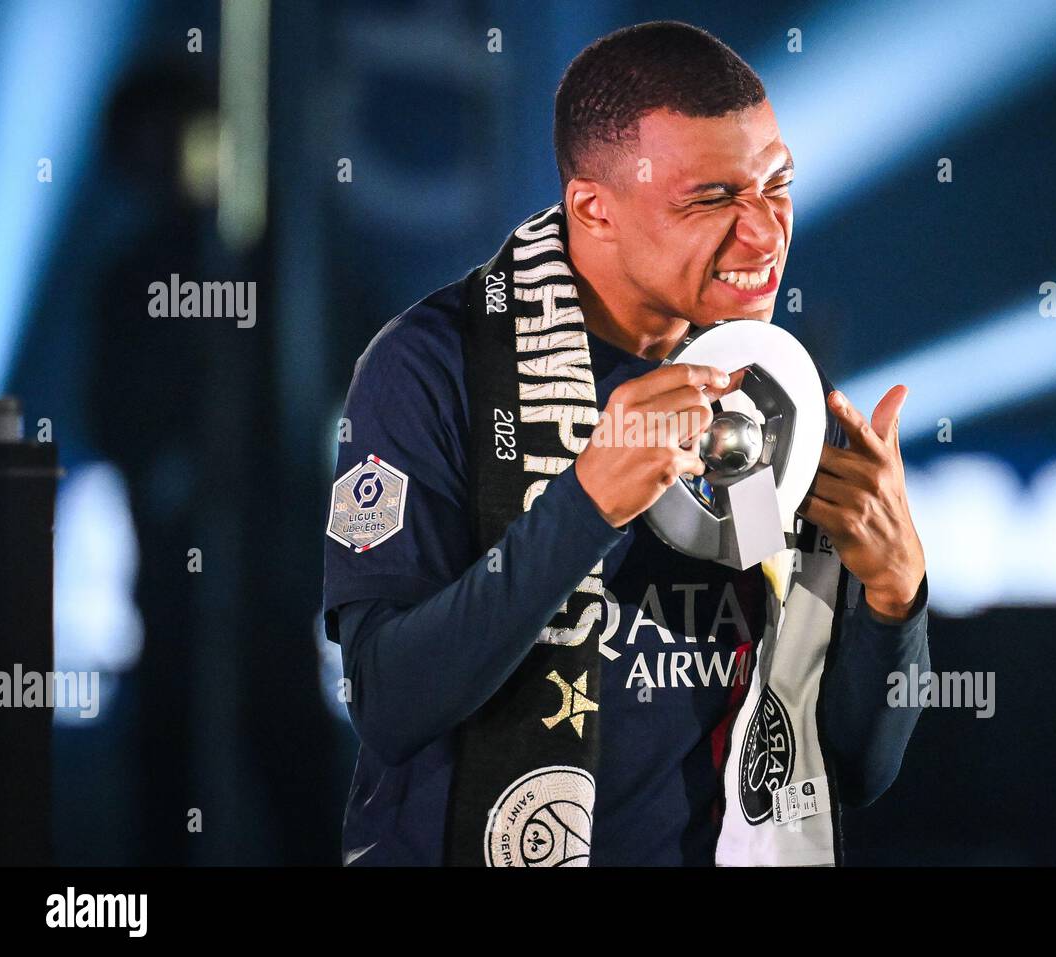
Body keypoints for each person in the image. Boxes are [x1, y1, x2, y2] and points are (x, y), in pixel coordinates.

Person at [323, 20, 929, 866]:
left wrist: (898, 597)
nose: (763, 234)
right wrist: (586, 505)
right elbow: (387, 702)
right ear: (593, 208)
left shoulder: (776, 390)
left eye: (776, 185)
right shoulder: (435, 366)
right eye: (712, 199)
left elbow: (853, 769)